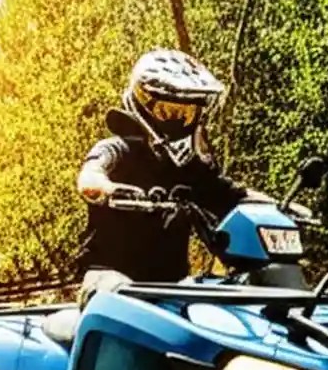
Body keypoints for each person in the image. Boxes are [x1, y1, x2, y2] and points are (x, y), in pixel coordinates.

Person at [73, 48, 280, 304]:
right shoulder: (119, 149)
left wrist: (279, 208)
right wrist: (102, 186)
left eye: (187, 114)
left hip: (172, 287)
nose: (178, 121)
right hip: (108, 279)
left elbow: (233, 194)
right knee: (119, 298)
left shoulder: (190, 169)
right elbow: (91, 172)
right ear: (143, 105)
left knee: (227, 297)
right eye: (168, 112)